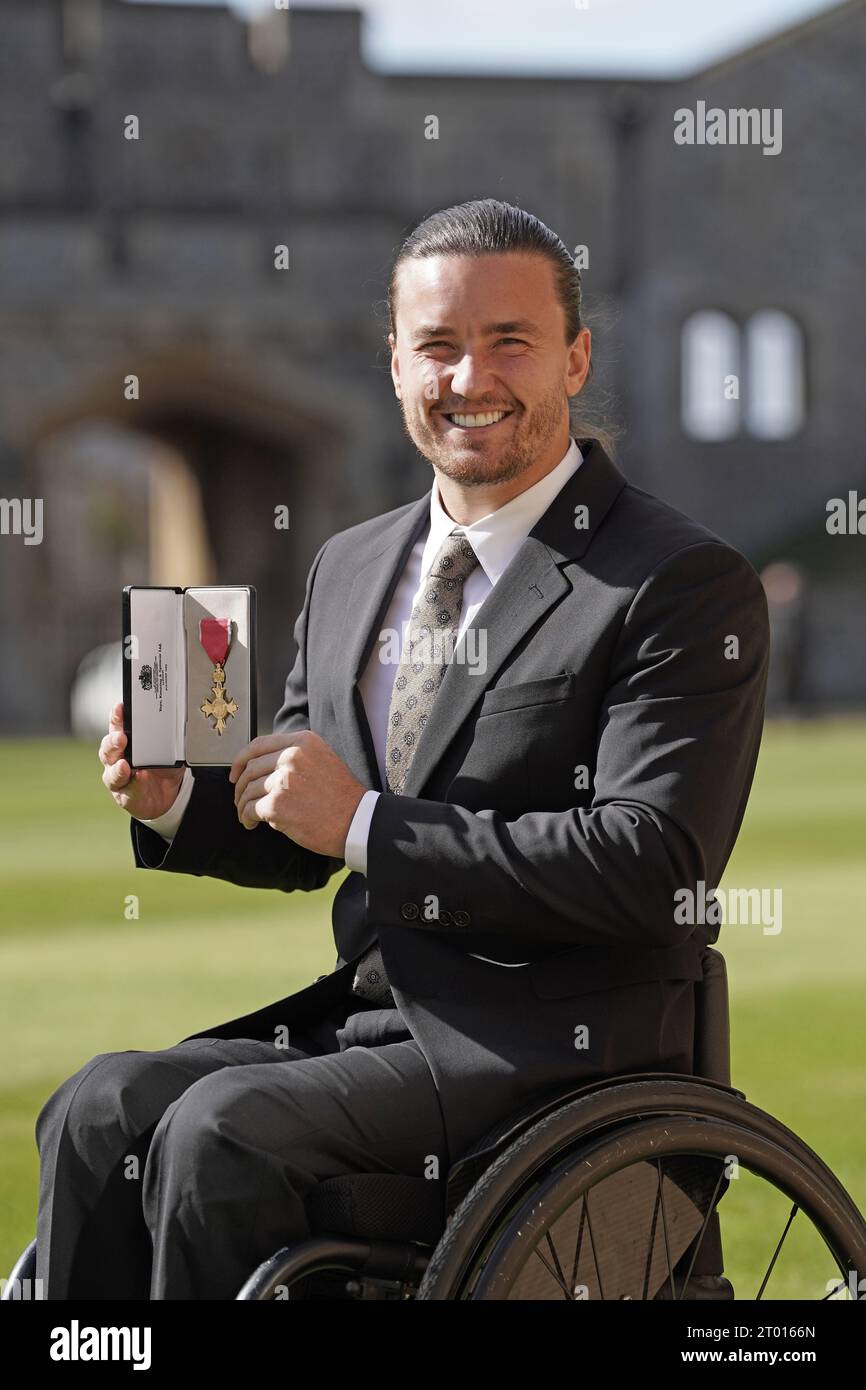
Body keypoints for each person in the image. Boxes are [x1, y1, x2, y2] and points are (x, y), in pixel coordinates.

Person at [35, 198, 770, 1300]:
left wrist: (369, 823)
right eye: (437, 345)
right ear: (393, 364)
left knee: (220, 1132)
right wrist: (169, 803)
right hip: (375, 1022)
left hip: (558, 1049)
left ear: (573, 357)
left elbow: (650, 865)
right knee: (97, 1109)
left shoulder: (676, 580)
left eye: (506, 341)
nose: (468, 376)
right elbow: (298, 819)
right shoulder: (351, 565)